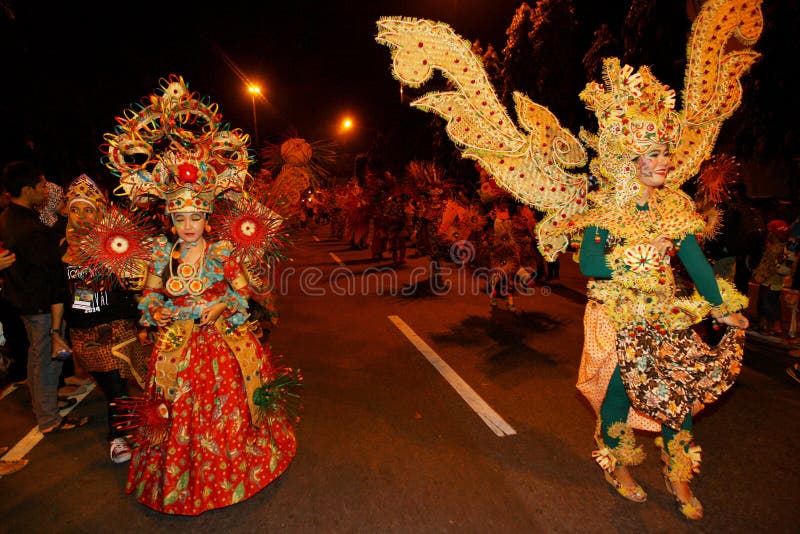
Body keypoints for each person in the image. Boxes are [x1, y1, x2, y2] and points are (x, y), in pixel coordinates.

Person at [95, 76, 297, 515]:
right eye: (180, 217)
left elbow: (243, 295)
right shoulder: (160, 253)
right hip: (177, 347)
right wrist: (159, 312)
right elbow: (149, 297)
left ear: (207, 217)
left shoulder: (222, 251)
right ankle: (181, 481)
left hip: (225, 341)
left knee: (229, 409)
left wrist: (223, 304)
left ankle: (233, 472)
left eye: (196, 217)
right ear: (170, 218)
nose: (188, 225)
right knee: (176, 411)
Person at [60, 174, 149, 463]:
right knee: (110, 382)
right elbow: (57, 293)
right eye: (75, 209)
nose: (81, 216)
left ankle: (117, 436)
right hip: (82, 330)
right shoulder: (62, 247)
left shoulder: (116, 243)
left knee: (116, 381)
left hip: (115, 325)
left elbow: (136, 282)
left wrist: (144, 317)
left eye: (88, 210)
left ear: (100, 211)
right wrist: (55, 331)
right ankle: (128, 418)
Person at [0, 160, 87, 434]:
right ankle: (49, 419)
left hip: (26, 299)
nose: (46, 191)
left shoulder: (15, 217)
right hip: (39, 303)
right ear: (27, 189)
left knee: (38, 357)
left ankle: (44, 404)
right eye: (41, 186)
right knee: (47, 359)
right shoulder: (24, 227)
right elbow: (50, 262)